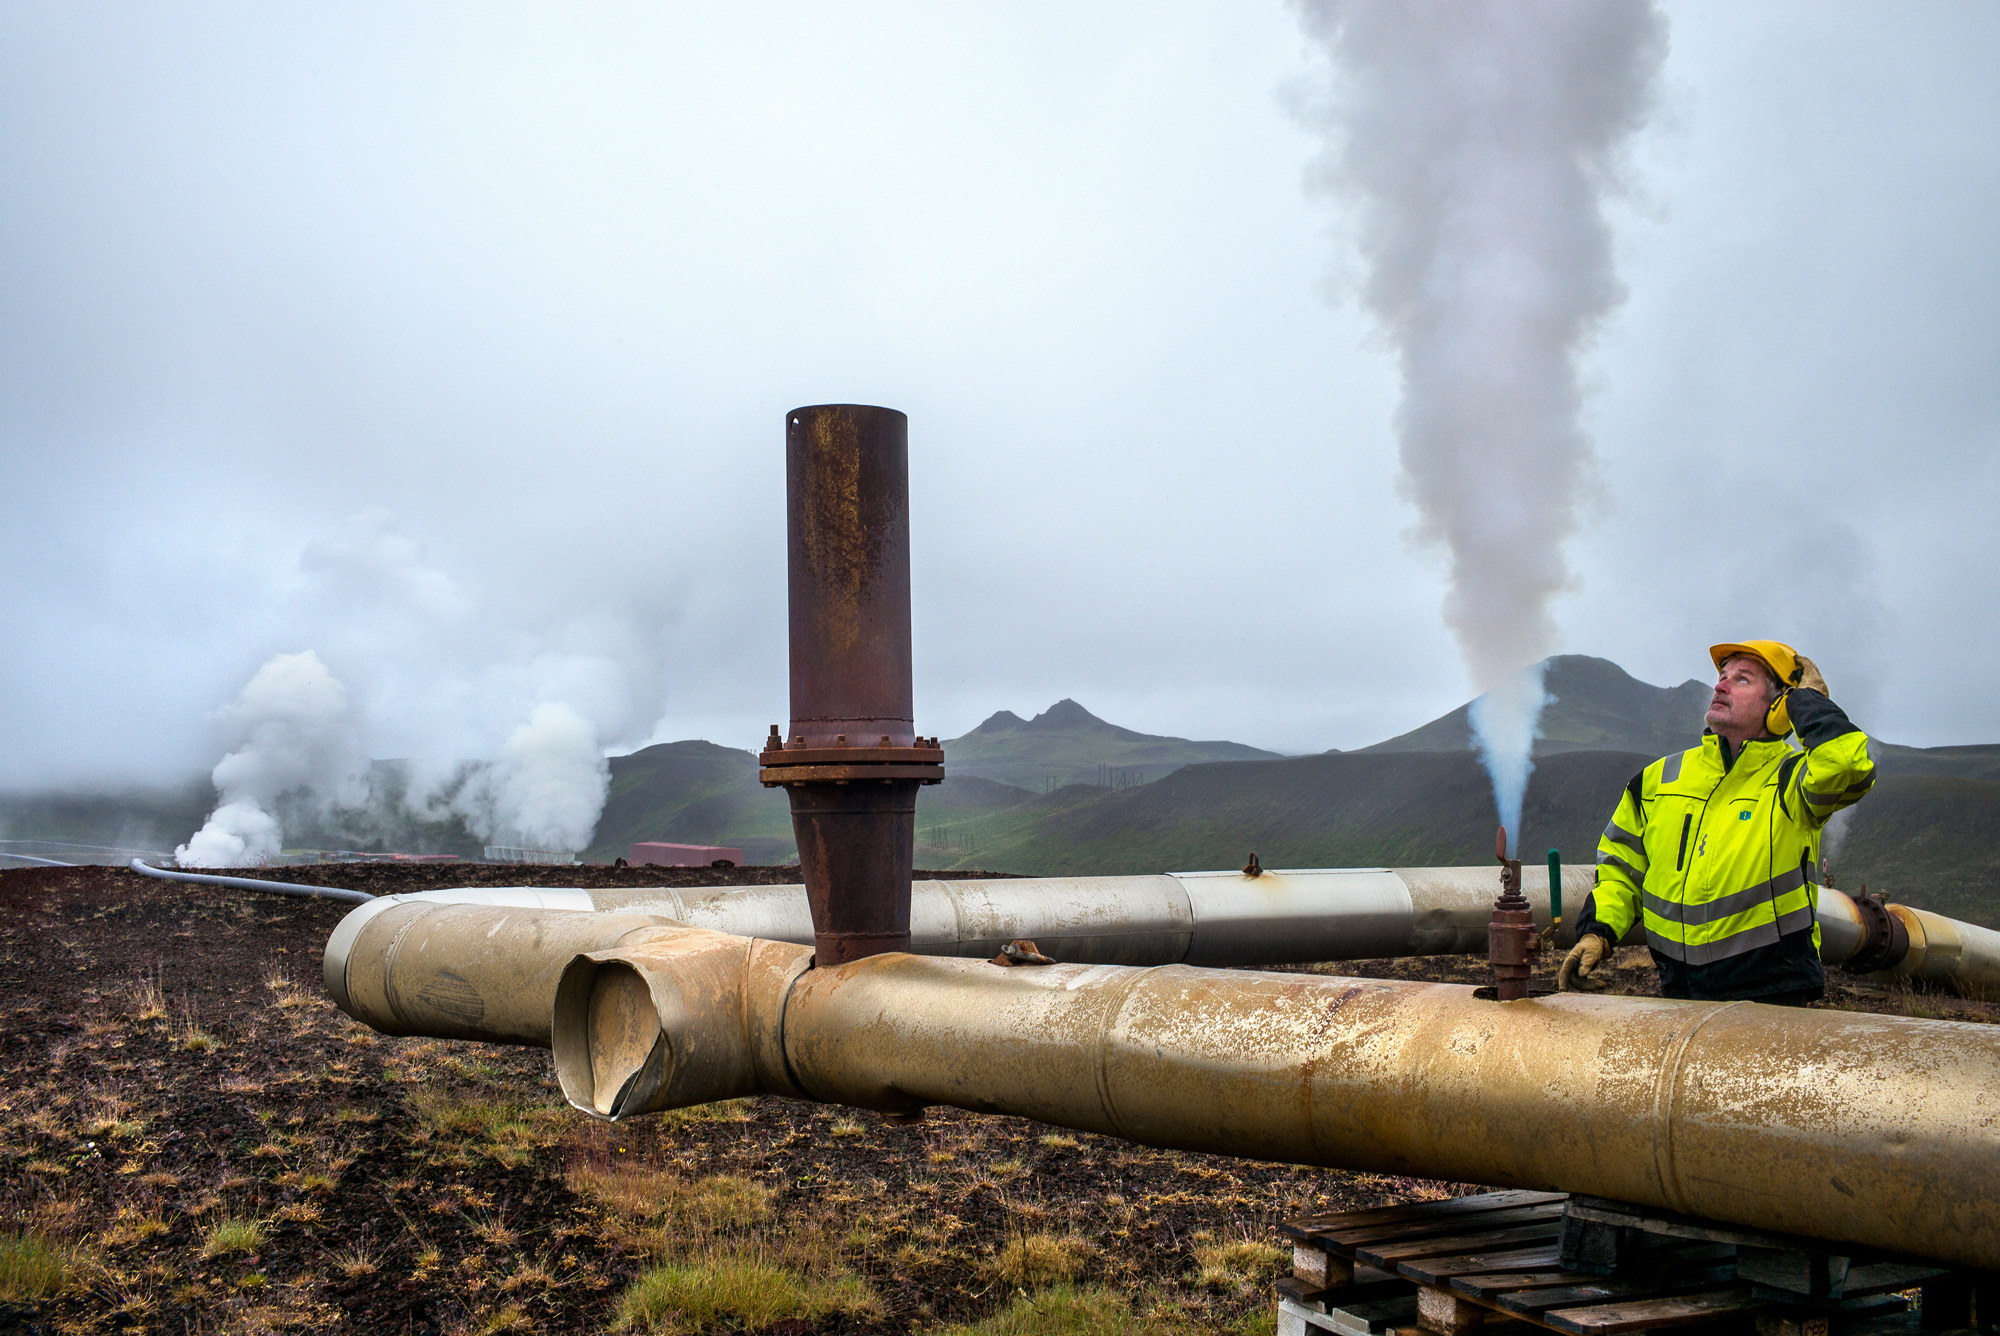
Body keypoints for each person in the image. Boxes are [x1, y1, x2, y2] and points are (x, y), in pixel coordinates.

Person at [1557, 641, 1875, 1004]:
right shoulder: (1659, 779)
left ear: (1777, 706)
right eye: (1722, 677)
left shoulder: (1792, 781)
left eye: (1742, 680)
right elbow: (1621, 869)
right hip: (1677, 990)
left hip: (1774, 995)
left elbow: (1848, 767)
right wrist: (1597, 933)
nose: (1721, 686)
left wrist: (1807, 703)